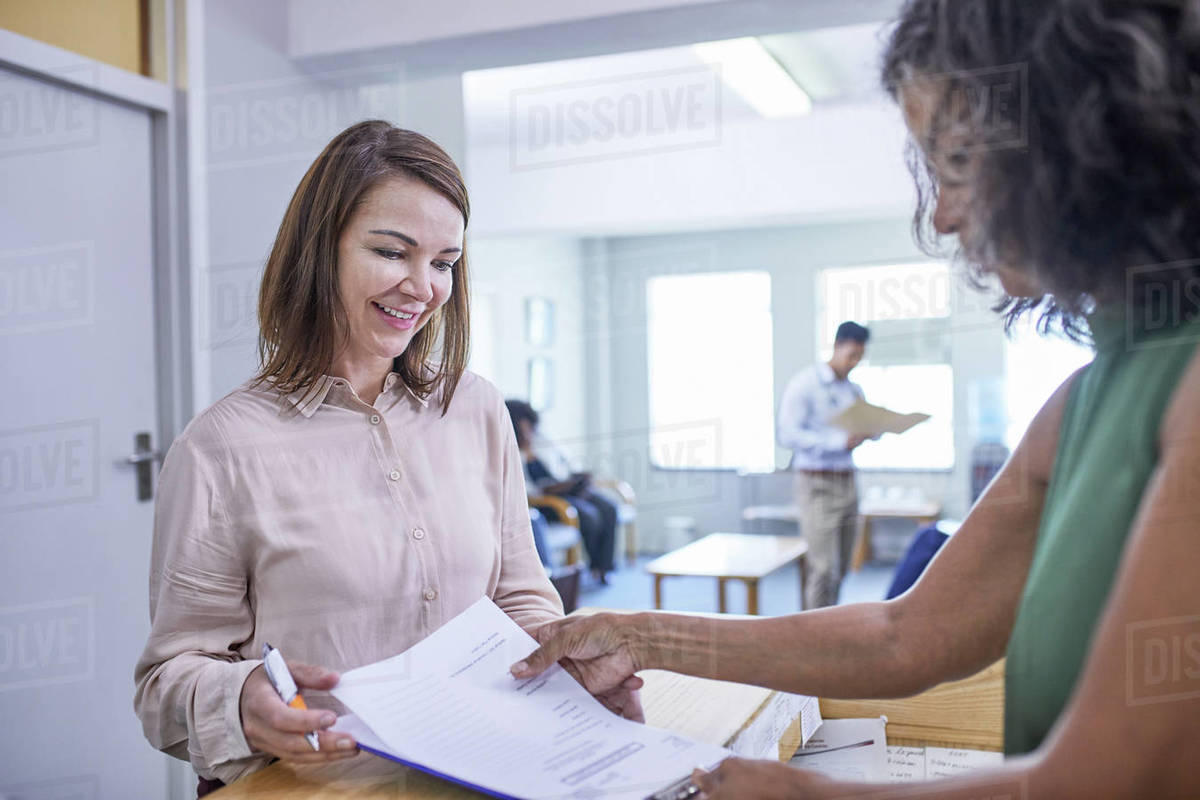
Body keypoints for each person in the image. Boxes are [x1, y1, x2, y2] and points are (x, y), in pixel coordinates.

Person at [512, 2, 1200, 797]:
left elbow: (1116, 779)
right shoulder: (1086, 396)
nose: (940, 212)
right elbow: (903, 634)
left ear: (1091, 145)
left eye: (961, 160)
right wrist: (636, 632)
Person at [133, 121, 581, 794]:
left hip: (481, 770)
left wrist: (572, 674)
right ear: (320, 251)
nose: (423, 287)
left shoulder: (477, 409)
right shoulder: (220, 447)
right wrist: (245, 699)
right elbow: (168, 683)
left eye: (443, 263)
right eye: (392, 252)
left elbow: (519, 595)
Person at [776, 320, 871, 608]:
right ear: (836, 346)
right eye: (850, 355)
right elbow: (787, 433)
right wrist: (837, 442)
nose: (854, 363)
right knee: (823, 568)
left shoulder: (853, 391)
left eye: (859, 357)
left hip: (847, 482)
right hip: (816, 484)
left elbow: (861, 424)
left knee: (842, 567)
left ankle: (828, 625)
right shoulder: (805, 384)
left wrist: (871, 430)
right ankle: (811, 638)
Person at [505, 399, 618, 584]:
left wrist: (575, 477)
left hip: (569, 488)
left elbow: (565, 462)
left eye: (529, 427)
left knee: (609, 508)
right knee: (589, 517)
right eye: (522, 429)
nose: (528, 433)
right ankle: (594, 567)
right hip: (547, 501)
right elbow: (526, 489)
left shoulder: (542, 439)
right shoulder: (510, 449)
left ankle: (604, 568)